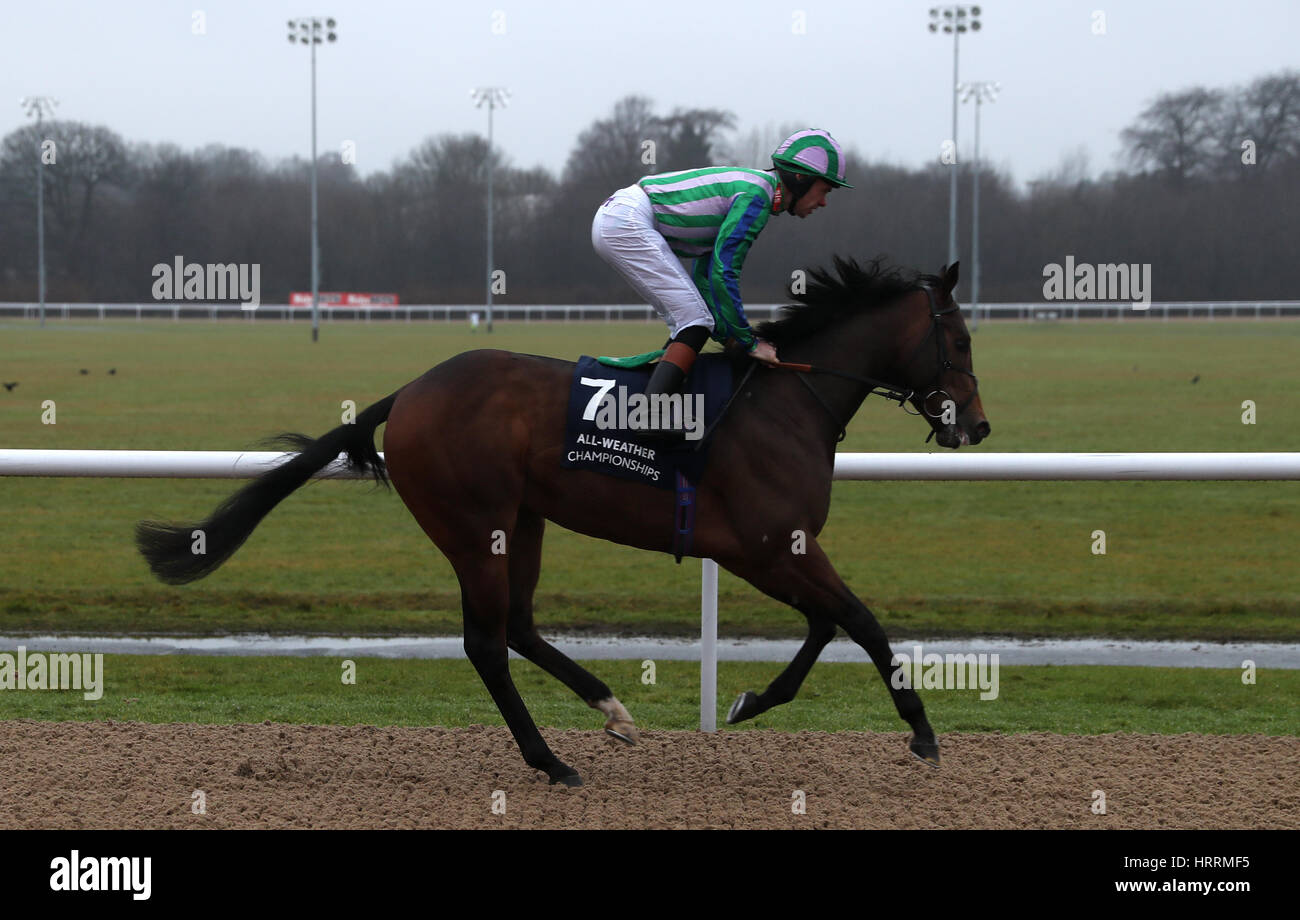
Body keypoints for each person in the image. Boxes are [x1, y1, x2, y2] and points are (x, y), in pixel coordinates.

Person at [591, 129, 852, 440]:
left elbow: (705, 273)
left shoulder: (757, 190)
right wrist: (748, 341)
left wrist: (730, 336)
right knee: (695, 321)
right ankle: (649, 416)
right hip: (627, 220)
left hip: (621, 217)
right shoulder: (757, 196)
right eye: (825, 191)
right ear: (799, 179)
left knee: (695, 320)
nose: (823, 203)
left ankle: (657, 403)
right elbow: (724, 271)